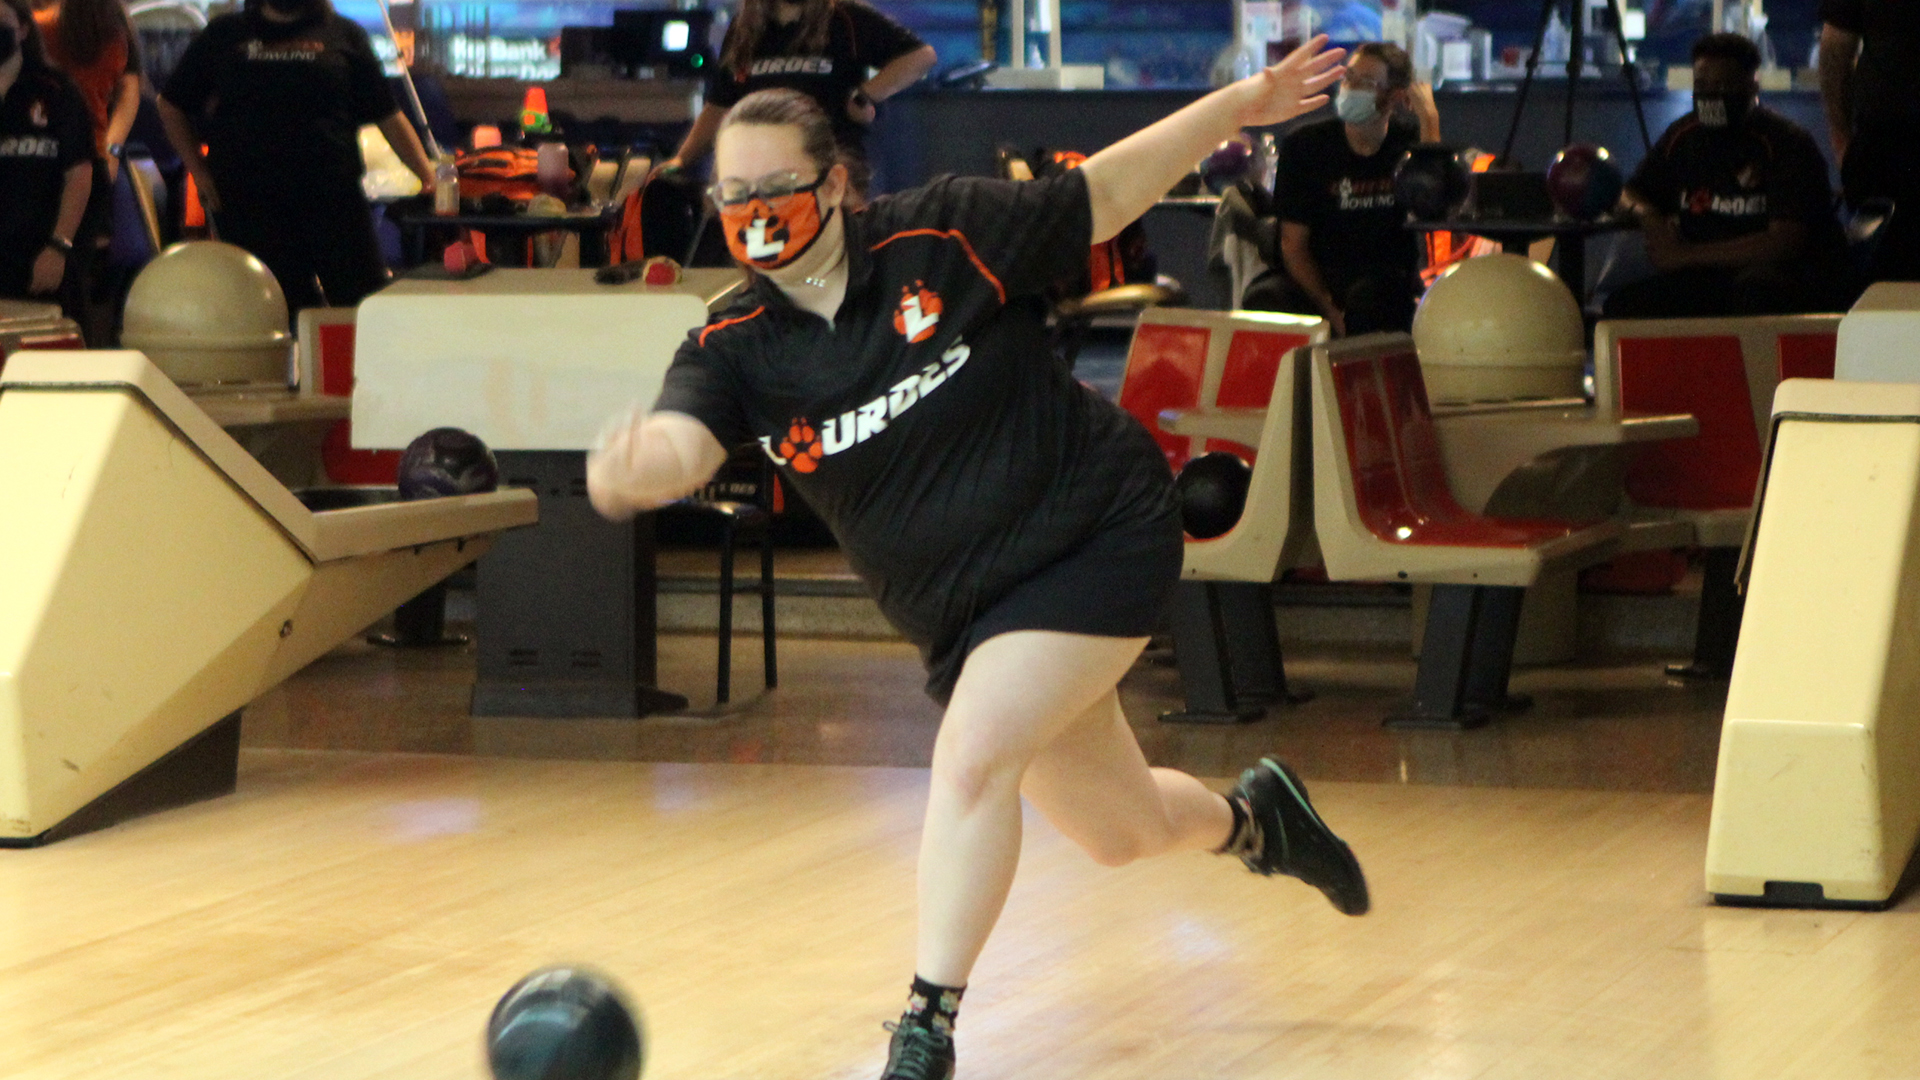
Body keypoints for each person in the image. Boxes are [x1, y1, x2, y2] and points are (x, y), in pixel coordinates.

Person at [587, 40, 1367, 1080]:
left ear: (836, 183)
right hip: (968, 612)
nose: (754, 210)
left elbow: (1106, 191)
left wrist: (1241, 102)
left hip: (1095, 532)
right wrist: (637, 469)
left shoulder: (944, 233)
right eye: (733, 193)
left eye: (777, 187)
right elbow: (686, 443)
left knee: (969, 758)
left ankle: (926, 1028)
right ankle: (1256, 818)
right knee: (1121, 832)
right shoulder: (730, 346)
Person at [154, 0, 433, 312]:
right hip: (248, 201)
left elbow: (388, 115)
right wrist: (200, 172)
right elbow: (171, 104)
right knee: (274, 310)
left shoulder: (344, 35)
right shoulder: (224, 35)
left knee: (363, 305)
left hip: (333, 197)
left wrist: (430, 179)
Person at [1604, 33, 1856, 319]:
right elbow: (1631, 192)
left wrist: (1684, 256)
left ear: (1752, 85)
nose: (1712, 94)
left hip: (1790, 276)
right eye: (1702, 85)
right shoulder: (1684, 136)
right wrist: (1649, 217)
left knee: (1754, 290)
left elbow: (1785, 242)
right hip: (1710, 277)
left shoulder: (1786, 143)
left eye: (1724, 84)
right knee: (1624, 306)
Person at [1244, 41, 1438, 337]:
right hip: (1319, 278)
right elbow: (1293, 245)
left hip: (1386, 280)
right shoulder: (1306, 147)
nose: (1351, 88)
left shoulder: (1409, 145)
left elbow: (1434, 208)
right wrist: (1331, 310)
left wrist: (1429, 121)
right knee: (1267, 298)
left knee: (1373, 299)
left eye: (1367, 83)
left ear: (1395, 96)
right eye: (1349, 78)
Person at [660, 0, 935, 196]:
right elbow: (719, 105)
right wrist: (682, 160)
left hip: (832, 173)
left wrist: (866, 95)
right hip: (762, 175)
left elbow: (920, 56)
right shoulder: (745, 29)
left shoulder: (845, 17)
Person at [0, 0, 93, 311]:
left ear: (23, 29)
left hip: (39, 255)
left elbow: (78, 173)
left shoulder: (56, 91)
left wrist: (58, 246)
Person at [1819, 0, 1920, 282]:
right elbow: (1835, 49)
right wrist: (1843, 142)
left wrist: (1842, 140)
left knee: (1887, 274)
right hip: (1890, 142)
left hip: (1889, 139)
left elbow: (1835, 49)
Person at [33, 0, 136, 184]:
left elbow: (129, 84)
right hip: (92, 154)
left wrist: (111, 149)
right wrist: (111, 150)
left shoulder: (37, 26)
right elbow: (130, 84)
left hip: (40, 153)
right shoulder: (110, 20)